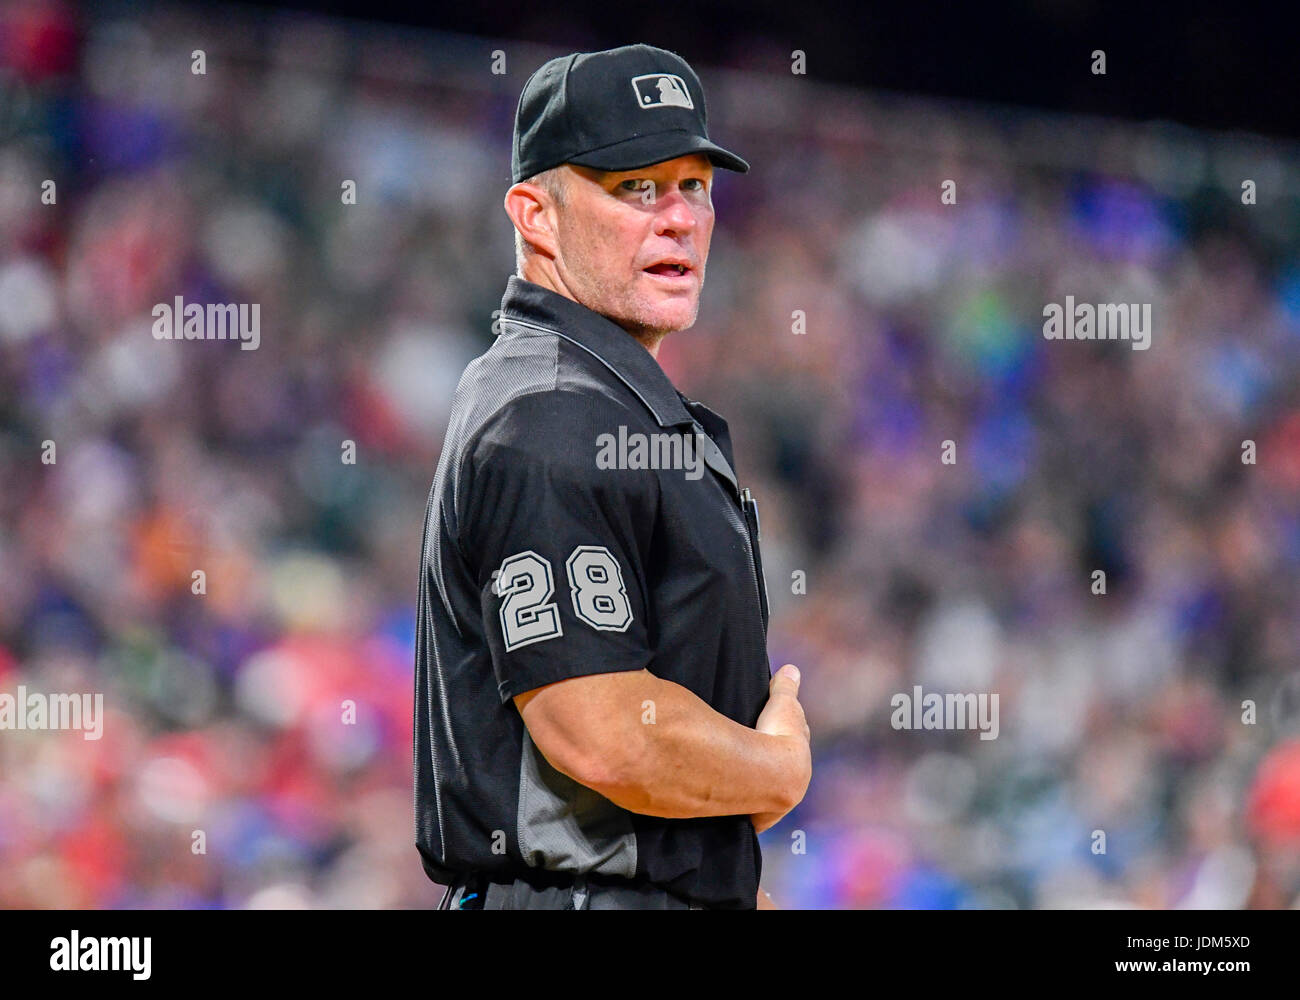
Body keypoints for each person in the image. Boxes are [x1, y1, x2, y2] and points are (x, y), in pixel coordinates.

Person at [414, 43, 811, 910]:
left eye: (695, 186)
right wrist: (774, 772)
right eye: (636, 187)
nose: (677, 218)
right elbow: (605, 737)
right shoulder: (550, 414)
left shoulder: (607, 403)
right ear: (536, 214)